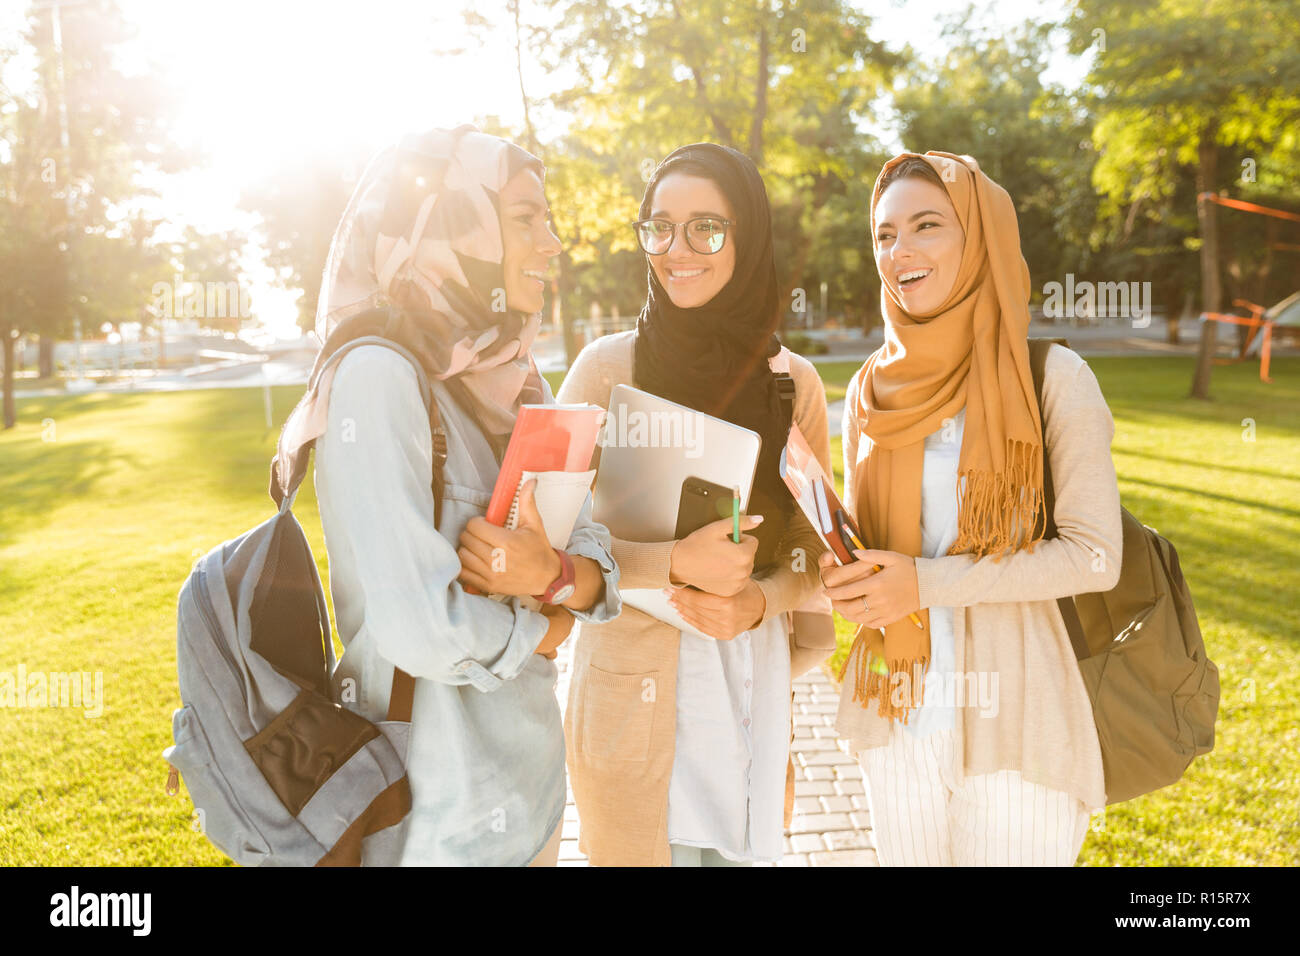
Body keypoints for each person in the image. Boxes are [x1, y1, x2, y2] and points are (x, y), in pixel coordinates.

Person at [306, 125, 622, 866]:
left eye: (547, 219)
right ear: (449, 226)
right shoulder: (378, 378)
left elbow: (593, 548)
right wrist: (544, 631)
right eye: (524, 219)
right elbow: (418, 628)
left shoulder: (515, 376)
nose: (552, 243)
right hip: (440, 825)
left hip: (536, 800)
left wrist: (550, 576)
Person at [821, 150, 1121, 866]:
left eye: (928, 225)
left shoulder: (1052, 377)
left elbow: (1095, 555)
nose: (902, 251)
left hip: (1018, 719)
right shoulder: (868, 392)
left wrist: (923, 581)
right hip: (897, 710)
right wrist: (847, 576)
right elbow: (872, 550)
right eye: (885, 235)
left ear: (980, 235)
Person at [557, 143, 834, 866]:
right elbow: (543, 543)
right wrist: (671, 562)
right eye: (661, 227)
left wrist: (760, 602)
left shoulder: (792, 384)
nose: (678, 249)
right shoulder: (605, 370)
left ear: (747, 238)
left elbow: (815, 548)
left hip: (749, 694)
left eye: (707, 227)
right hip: (629, 709)